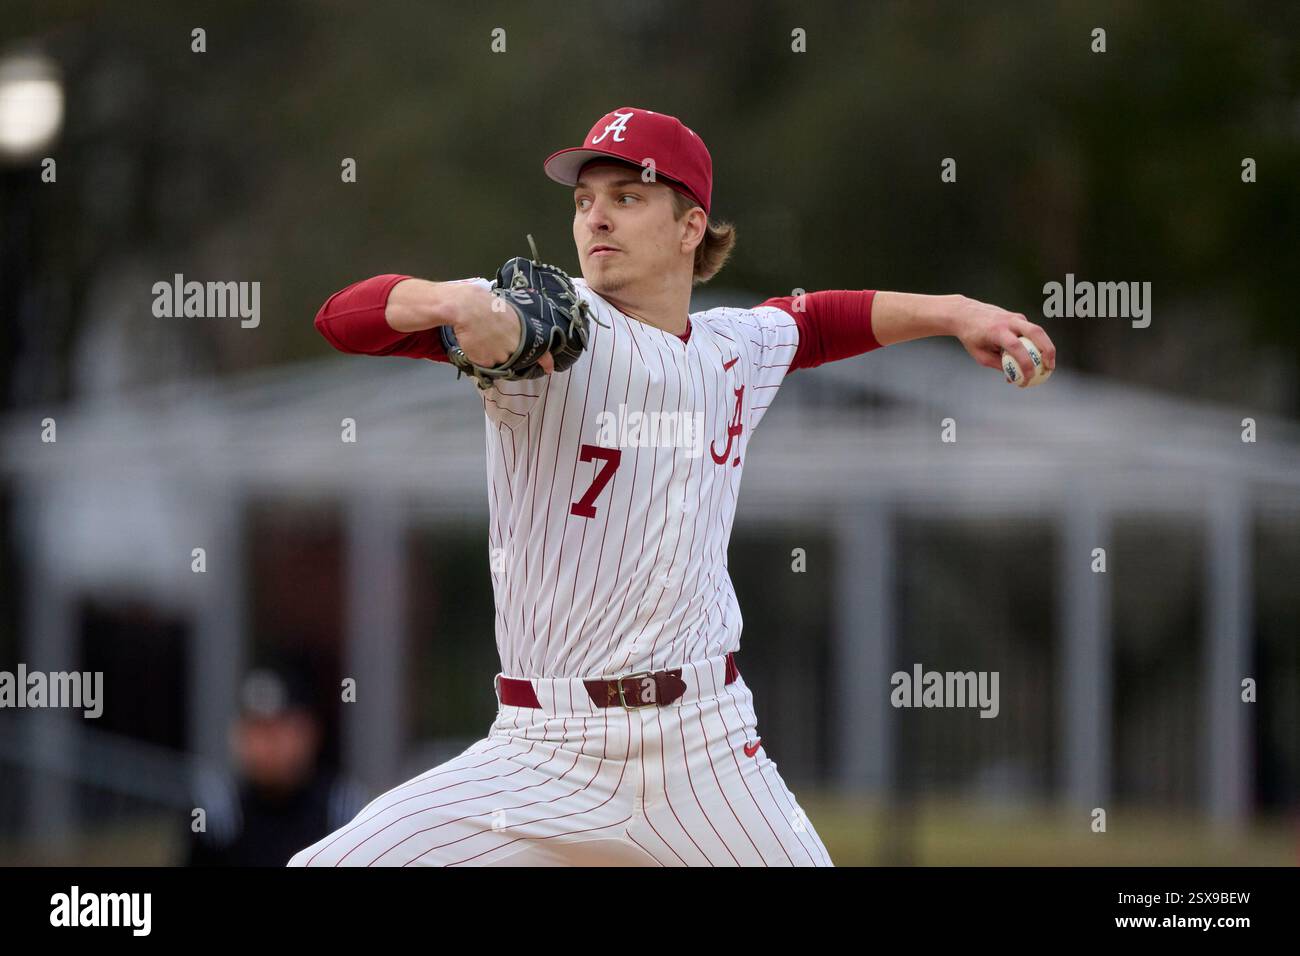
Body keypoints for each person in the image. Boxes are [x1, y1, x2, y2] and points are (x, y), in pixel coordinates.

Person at [291, 106, 1055, 866]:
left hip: (706, 748)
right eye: (584, 200)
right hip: (544, 749)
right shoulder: (550, 325)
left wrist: (959, 313)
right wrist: (453, 304)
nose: (597, 217)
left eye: (626, 197)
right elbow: (340, 319)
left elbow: (821, 322)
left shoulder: (734, 347)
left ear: (692, 227)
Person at [185, 662, 366, 866]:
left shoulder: (342, 812)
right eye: (256, 728)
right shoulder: (219, 815)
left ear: (309, 733)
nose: (266, 745)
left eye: (278, 730)